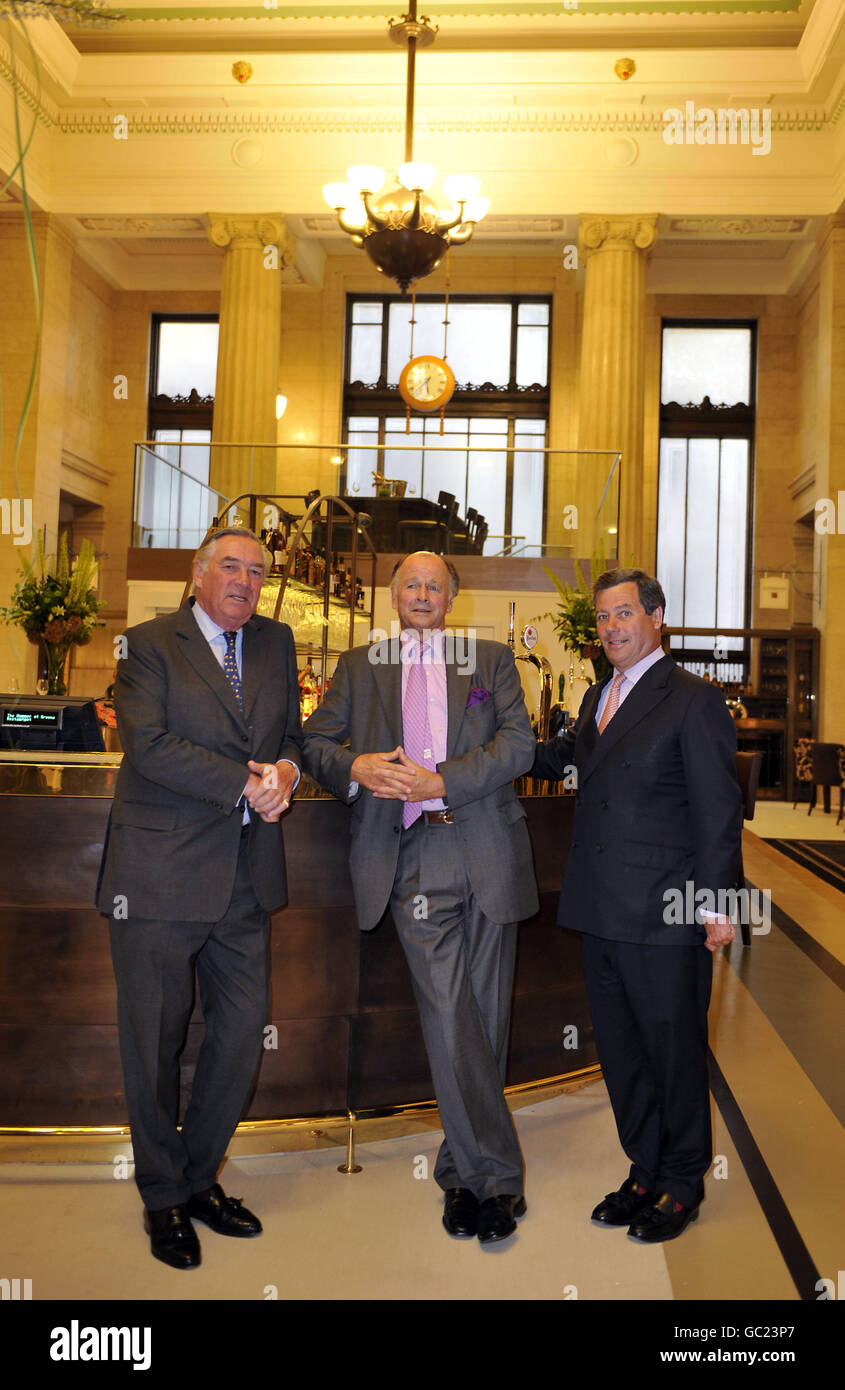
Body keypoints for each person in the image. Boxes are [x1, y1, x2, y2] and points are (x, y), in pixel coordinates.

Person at [302, 551, 539, 1245]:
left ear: (452, 597)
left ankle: (460, 1175)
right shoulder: (358, 665)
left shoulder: (489, 660)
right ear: (392, 594)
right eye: (410, 582)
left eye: (435, 584)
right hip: (408, 856)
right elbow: (315, 742)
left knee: (484, 1019)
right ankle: (495, 1178)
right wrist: (355, 765)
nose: (422, 593)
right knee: (447, 1012)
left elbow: (518, 744)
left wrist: (444, 780)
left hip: (486, 848)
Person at [97, 527, 302, 1269]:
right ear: (197, 572)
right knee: (152, 1042)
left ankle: (196, 1177)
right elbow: (146, 744)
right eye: (231, 567)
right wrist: (246, 783)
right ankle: (162, 1198)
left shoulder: (277, 644)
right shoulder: (147, 643)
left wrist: (284, 770)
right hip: (156, 877)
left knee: (241, 1035)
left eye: (256, 571)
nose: (244, 581)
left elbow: (294, 739)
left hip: (246, 879)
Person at [533, 568, 741, 1243]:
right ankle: (644, 1170)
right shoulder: (599, 695)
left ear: (655, 617)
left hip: (664, 914)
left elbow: (717, 813)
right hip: (599, 910)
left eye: (623, 614)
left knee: (673, 1051)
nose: (611, 628)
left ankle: (681, 1183)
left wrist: (716, 906)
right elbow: (566, 762)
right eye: (602, 618)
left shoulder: (691, 700)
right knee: (620, 1053)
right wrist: (494, 740)